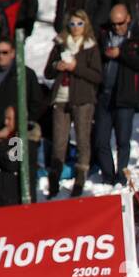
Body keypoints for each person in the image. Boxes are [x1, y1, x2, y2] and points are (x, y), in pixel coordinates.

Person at [0, 37, 42, 206]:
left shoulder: (25, 74)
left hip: (15, 136)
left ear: (12, 53)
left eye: (5, 52)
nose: (0, 56)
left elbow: (12, 163)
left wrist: (18, 127)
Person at [45, 10, 103, 197]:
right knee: (59, 143)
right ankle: (54, 180)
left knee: (82, 141)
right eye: (72, 24)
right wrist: (57, 67)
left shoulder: (91, 46)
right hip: (61, 97)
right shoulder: (60, 44)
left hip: (83, 99)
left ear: (85, 25)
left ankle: (79, 181)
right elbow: (48, 72)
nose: (76, 28)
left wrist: (76, 68)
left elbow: (96, 76)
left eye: (80, 24)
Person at [93, 3, 139, 187]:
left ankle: (121, 175)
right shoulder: (103, 34)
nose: (117, 27)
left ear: (128, 19)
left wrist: (121, 54)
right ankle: (108, 176)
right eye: (114, 24)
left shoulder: (138, 36)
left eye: (120, 23)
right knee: (101, 140)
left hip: (126, 95)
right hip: (105, 94)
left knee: (123, 140)